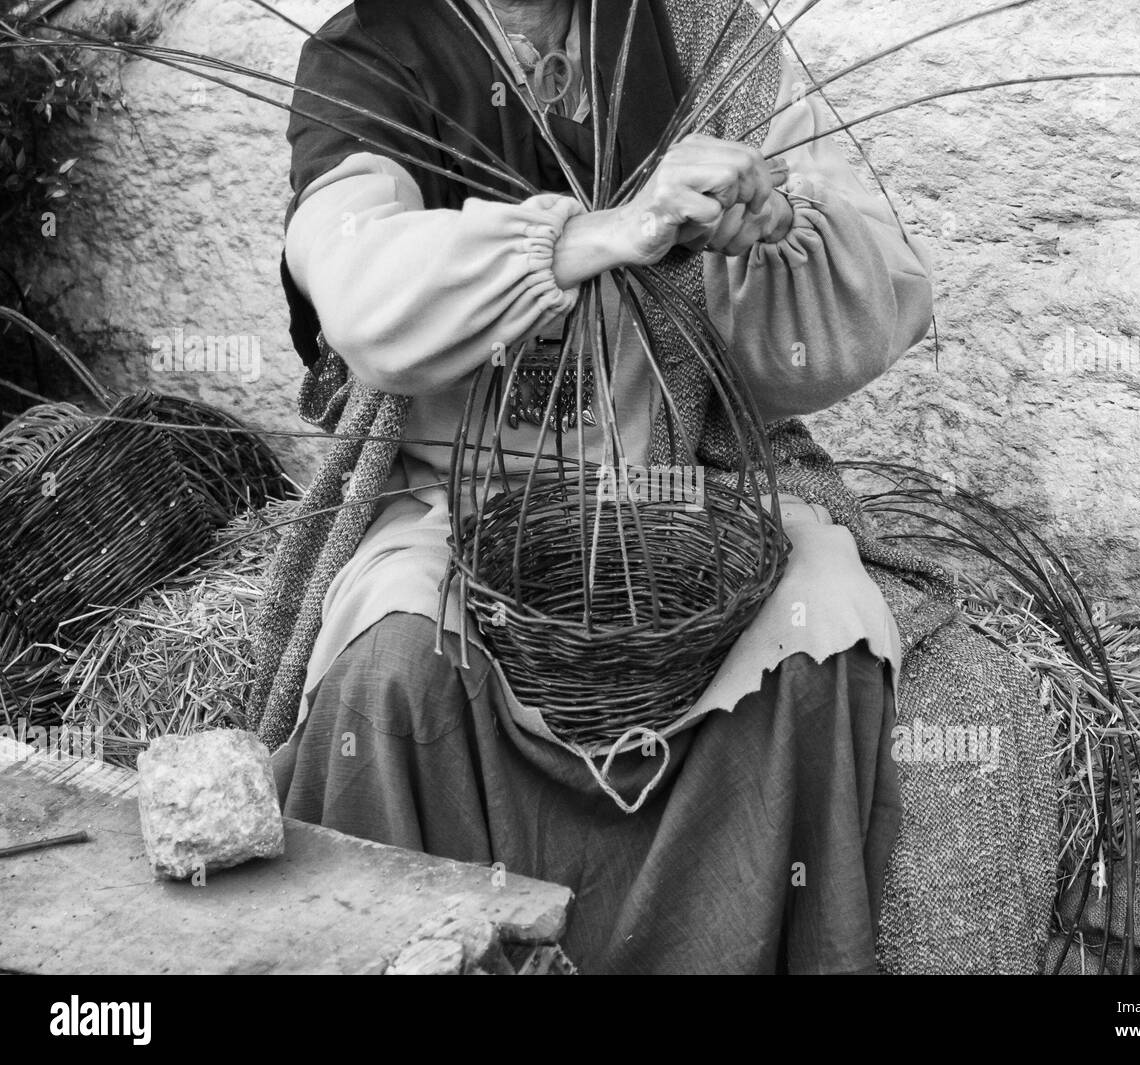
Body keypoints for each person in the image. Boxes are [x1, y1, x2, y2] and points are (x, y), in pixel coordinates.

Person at [254, 0, 1042, 974]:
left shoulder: (712, 36)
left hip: (680, 474)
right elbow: (357, 286)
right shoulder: (373, 51)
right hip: (458, 499)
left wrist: (774, 224)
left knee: (824, 633)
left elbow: (851, 323)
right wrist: (592, 235)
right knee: (392, 662)